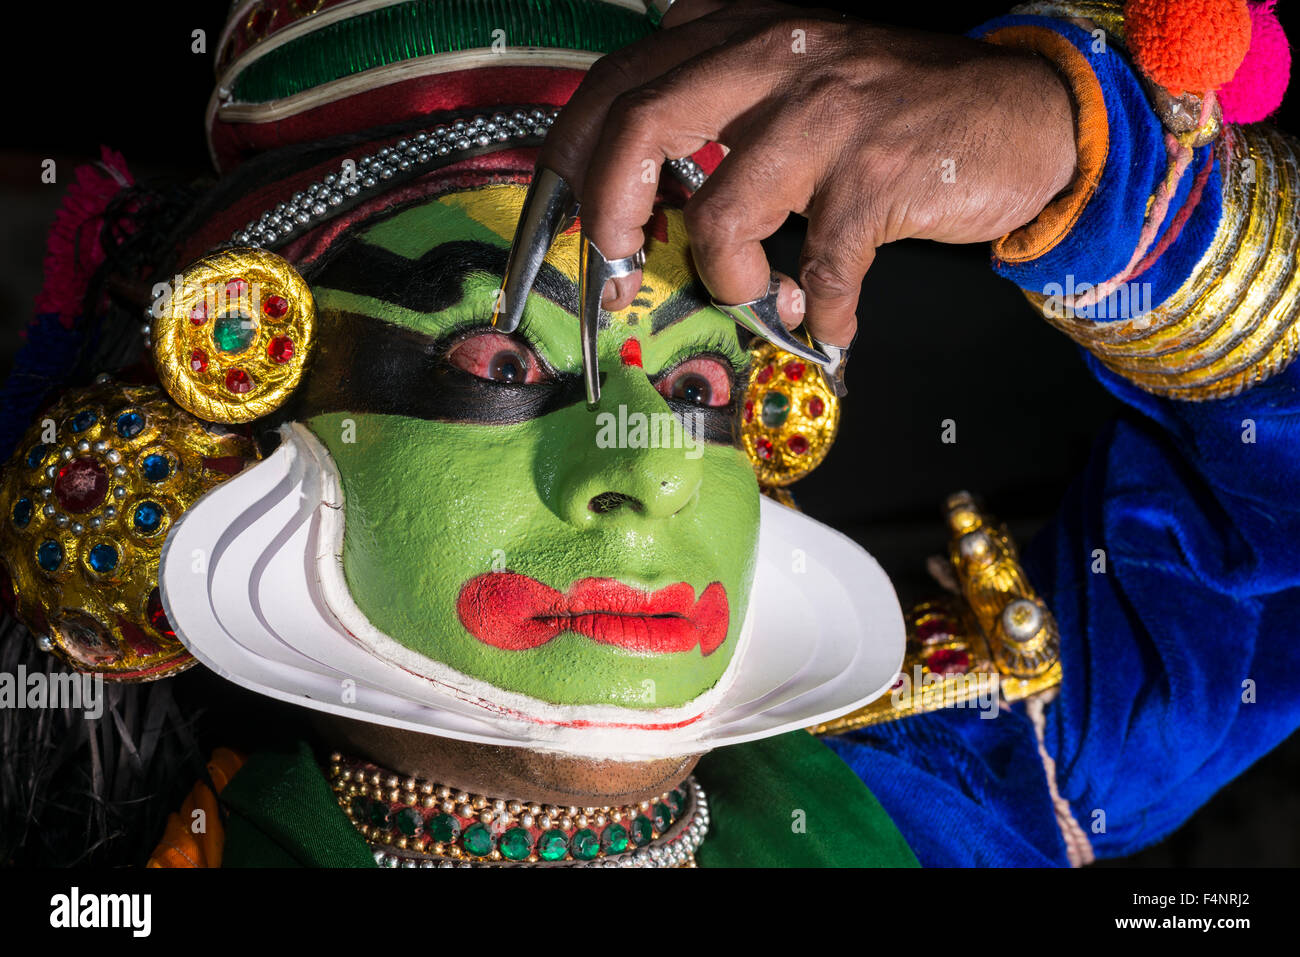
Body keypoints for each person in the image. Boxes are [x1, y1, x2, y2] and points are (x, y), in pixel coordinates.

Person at [0, 0, 1295, 868]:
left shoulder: (955, 786)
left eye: (695, 393)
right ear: (245, 393)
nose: (636, 480)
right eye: (502, 360)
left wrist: (1096, 177)